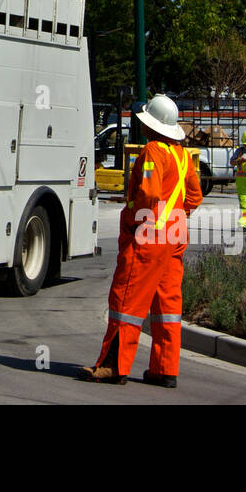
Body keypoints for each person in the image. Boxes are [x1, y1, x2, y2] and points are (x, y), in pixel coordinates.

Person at [81, 94, 203, 388]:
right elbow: (194, 197)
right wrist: (172, 215)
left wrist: (135, 217)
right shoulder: (182, 155)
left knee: (126, 302)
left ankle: (114, 366)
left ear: (152, 125)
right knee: (168, 307)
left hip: (149, 237)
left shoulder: (153, 151)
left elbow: (147, 195)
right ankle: (165, 369)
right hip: (174, 237)